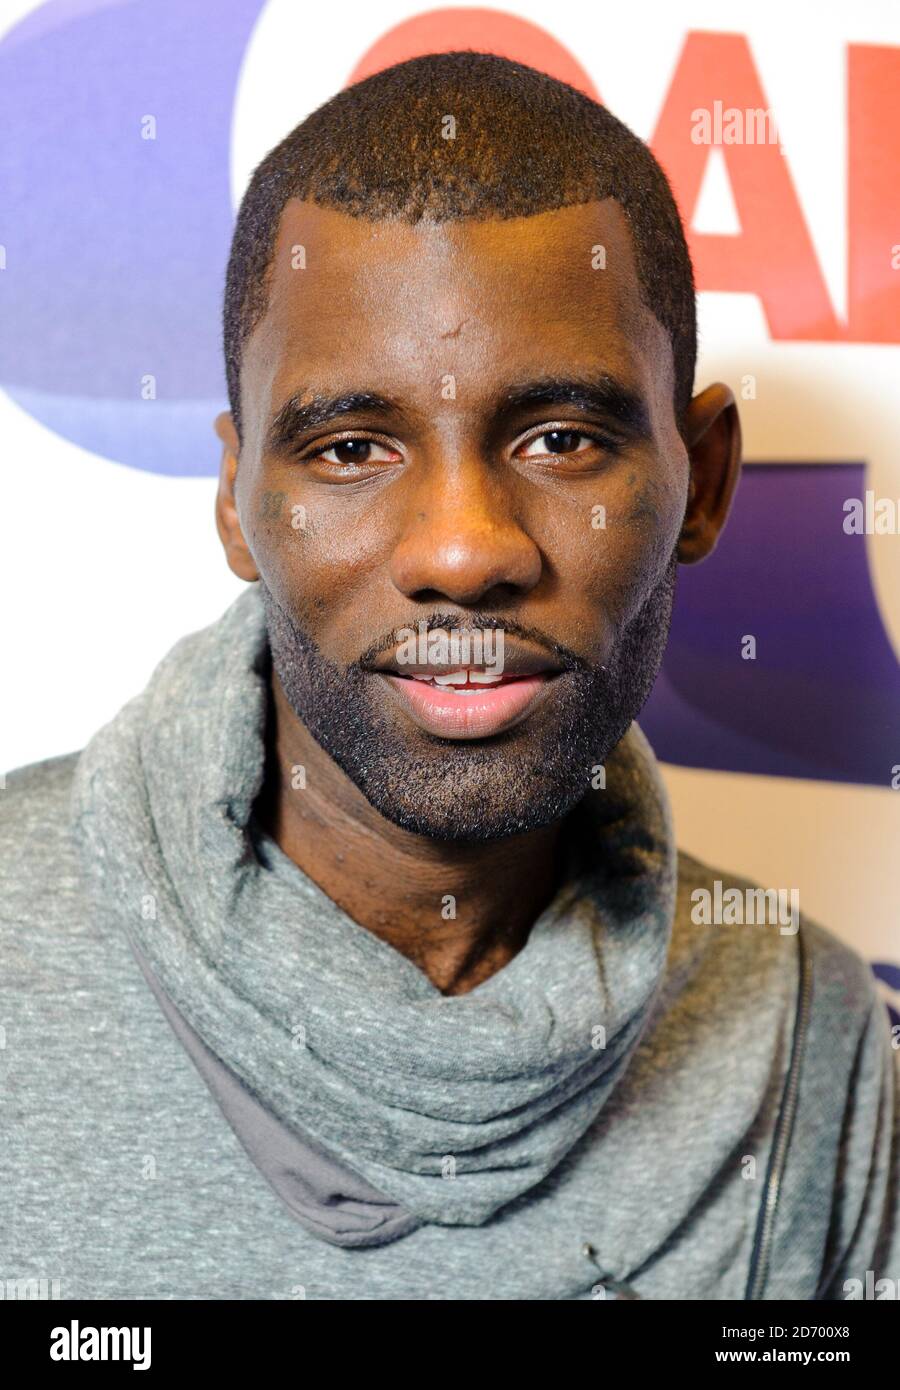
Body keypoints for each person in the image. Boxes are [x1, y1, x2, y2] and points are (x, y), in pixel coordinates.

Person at [2, 51, 897, 1301]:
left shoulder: (810, 1035)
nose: (466, 550)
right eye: (353, 447)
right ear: (235, 500)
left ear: (704, 479)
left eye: (562, 439)